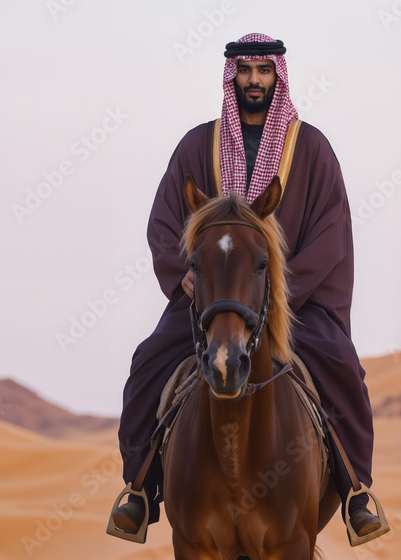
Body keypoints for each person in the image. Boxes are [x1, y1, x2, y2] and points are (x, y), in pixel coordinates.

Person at [111, 32, 384, 544]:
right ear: (231, 76)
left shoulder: (312, 148)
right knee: (149, 361)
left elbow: (332, 229)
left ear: (278, 76)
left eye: (263, 70)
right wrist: (184, 275)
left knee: (340, 365)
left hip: (294, 300)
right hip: (211, 301)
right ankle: (139, 487)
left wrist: (283, 290)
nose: (253, 80)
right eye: (244, 70)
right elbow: (165, 223)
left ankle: (355, 492)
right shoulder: (197, 145)